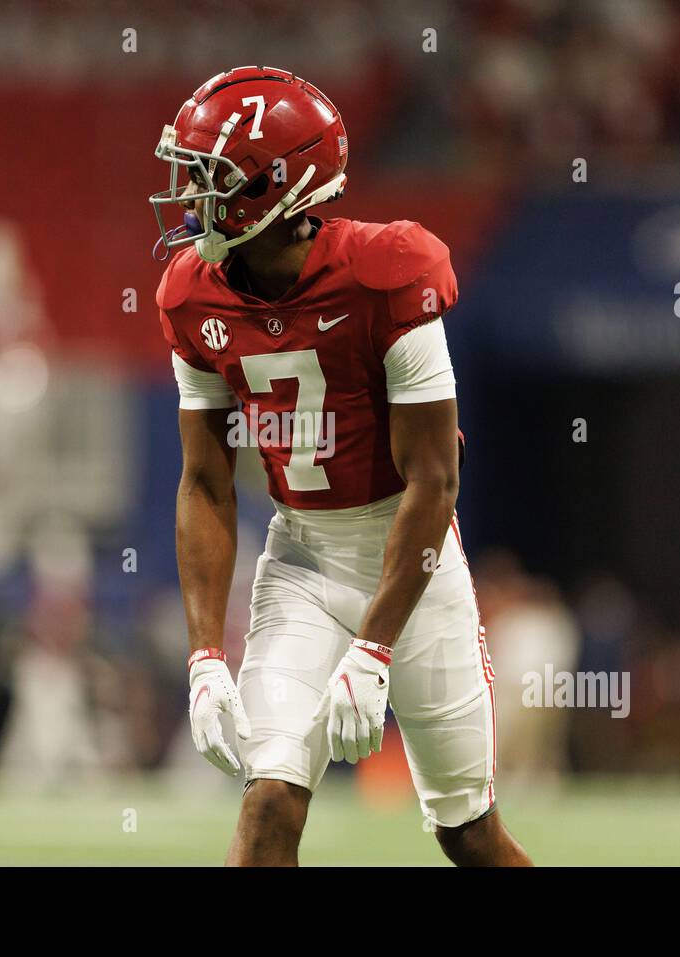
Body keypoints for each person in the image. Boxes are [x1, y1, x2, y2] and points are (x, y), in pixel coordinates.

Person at [150, 66, 531, 866]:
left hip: (412, 563)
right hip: (301, 561)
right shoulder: (192, 296)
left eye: (212, 179)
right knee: (268, 805)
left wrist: (378, 645)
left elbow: (435, 481)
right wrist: (203, 656)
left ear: (277, 187)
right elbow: (205, 481)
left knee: (470, 837)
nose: (190, 196)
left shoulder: (388, 271)